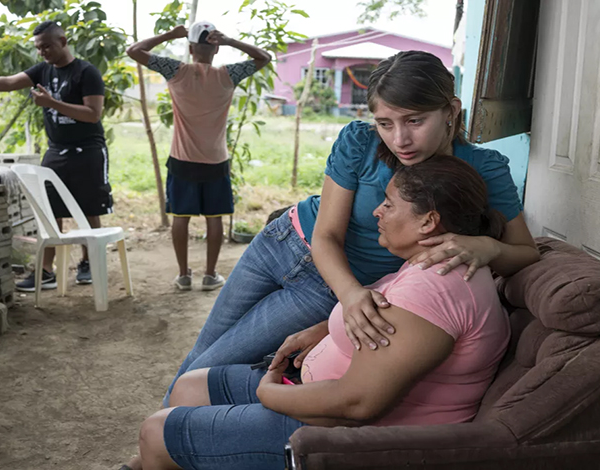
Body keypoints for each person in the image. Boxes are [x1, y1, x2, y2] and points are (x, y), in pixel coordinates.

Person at [161, 50, 539, 405]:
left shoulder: (484, 168)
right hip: (283, 244)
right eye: (385, 123)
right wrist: (351, 296)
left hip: (327, 287)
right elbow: (326, 235)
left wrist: (488, 249)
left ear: (451, 111)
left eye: (415, 121)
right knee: (200, 353)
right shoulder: (361, 143)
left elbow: (525, 251)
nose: (400, 140)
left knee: (209, 368)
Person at [128, 155, 511, 470]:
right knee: (190, 386)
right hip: (320, 397)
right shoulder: (426, 266)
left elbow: (356, 403)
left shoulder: (434, 285)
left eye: (389, 203)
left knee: (155, 432)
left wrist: (269, 394)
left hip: (346, 434)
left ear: (428, 221)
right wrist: (323, 331)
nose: (377, 211)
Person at [0, 21, 112, 291]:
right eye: (38, 48)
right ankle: (46, 270)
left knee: (89, 208)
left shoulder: (87, 72)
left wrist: (52, 103)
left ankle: (89, 261)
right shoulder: (43, 71)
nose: (42, 52)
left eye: (47, 46)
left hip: (88, 151)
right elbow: (10, 82)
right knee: (50, 209)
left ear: (63, 42)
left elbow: (93, 115)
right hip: (56, 151)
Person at [126, 22, 271, 291]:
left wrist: (169, 34)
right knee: (213, 218)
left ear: (191, 48)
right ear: (215, 49)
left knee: (180, 218)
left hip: (182, 160)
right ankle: (210, 275)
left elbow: (134, 50)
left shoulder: (176, 71)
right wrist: (230, 41)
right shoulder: (228, 75)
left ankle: (183, 275)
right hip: (216, 160)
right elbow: (264, 57)